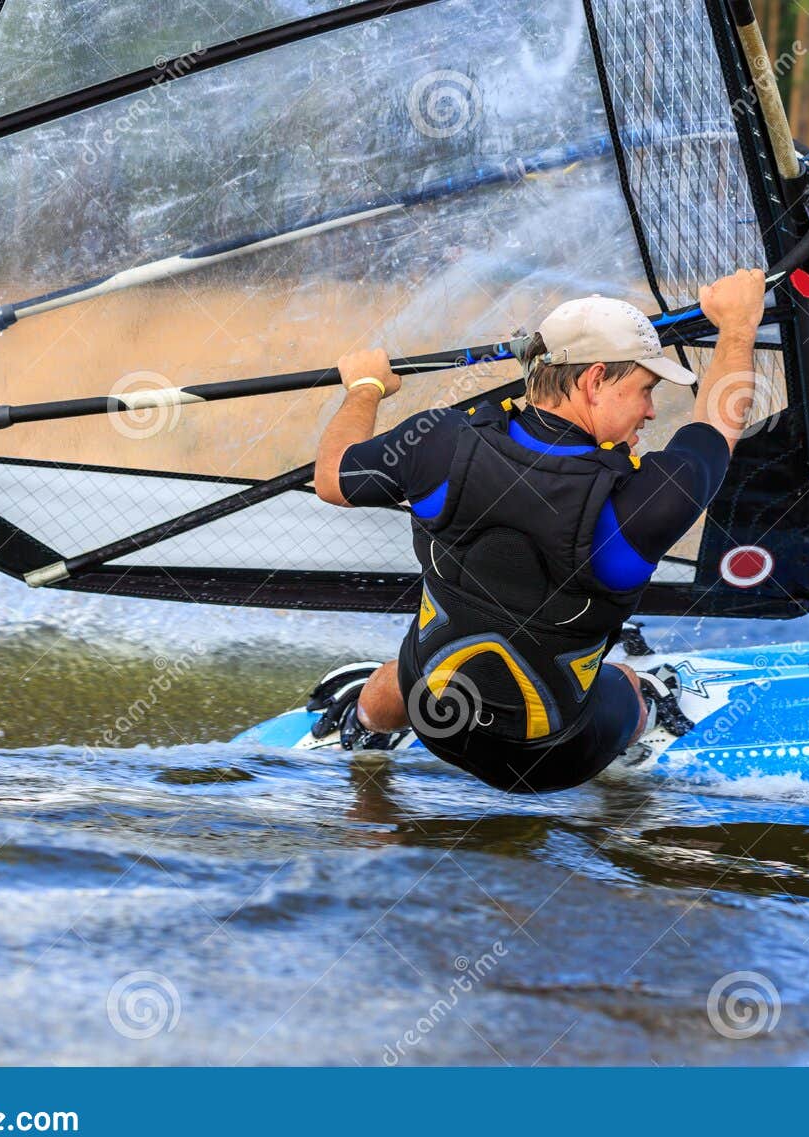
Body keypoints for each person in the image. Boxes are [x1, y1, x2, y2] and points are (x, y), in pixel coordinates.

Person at [311, 269, 766, 793]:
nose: (648, 410)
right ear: (595, 380)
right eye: (645, 390)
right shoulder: (647, 501)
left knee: (414, 664)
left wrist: (365, 387)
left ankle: (365, 725)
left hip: (433, 719)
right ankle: (647, 719)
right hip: (553, 761)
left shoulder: (437, 441)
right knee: (628, 683)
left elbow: (332, 477)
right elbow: (717, 425)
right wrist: (737, 327)